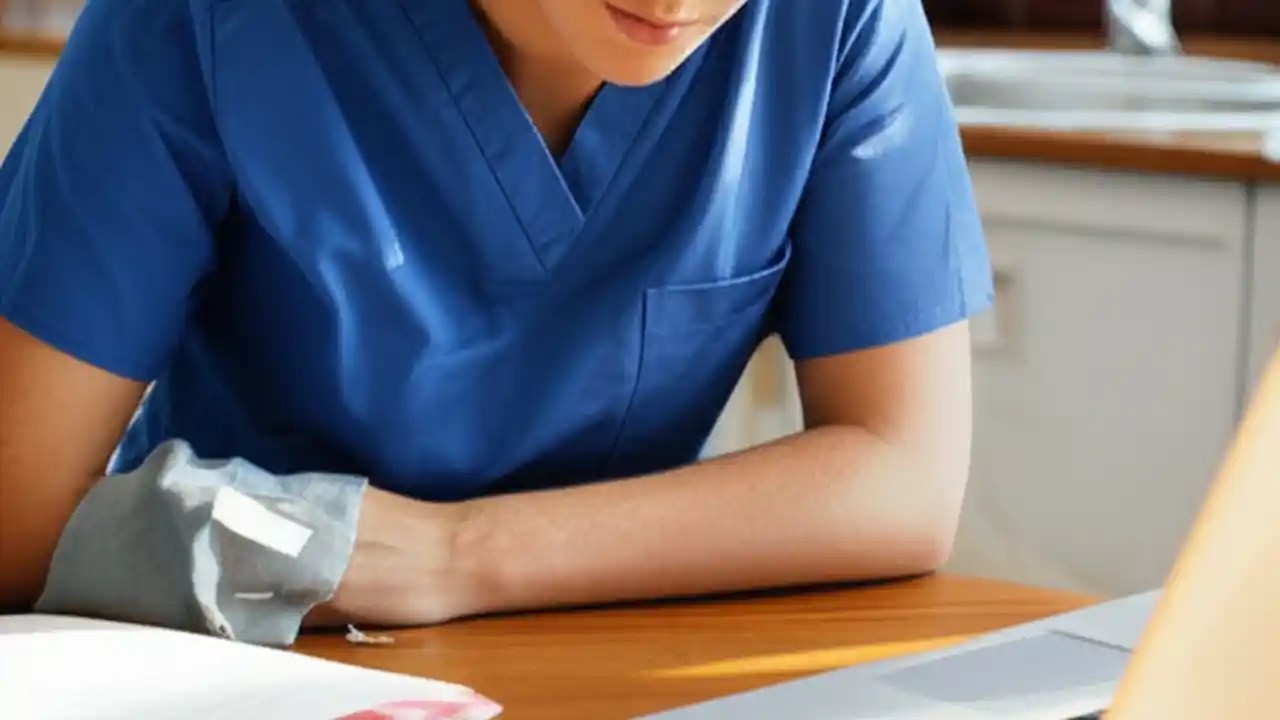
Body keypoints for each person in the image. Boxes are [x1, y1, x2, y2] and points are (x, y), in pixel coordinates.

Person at [0, 0, 992, 638]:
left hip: (611, 658)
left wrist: (445, 554)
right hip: (247, 653)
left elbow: (903, 477)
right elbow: (16, 515)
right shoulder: (203, 21)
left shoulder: (837, 23)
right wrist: (262, 546)